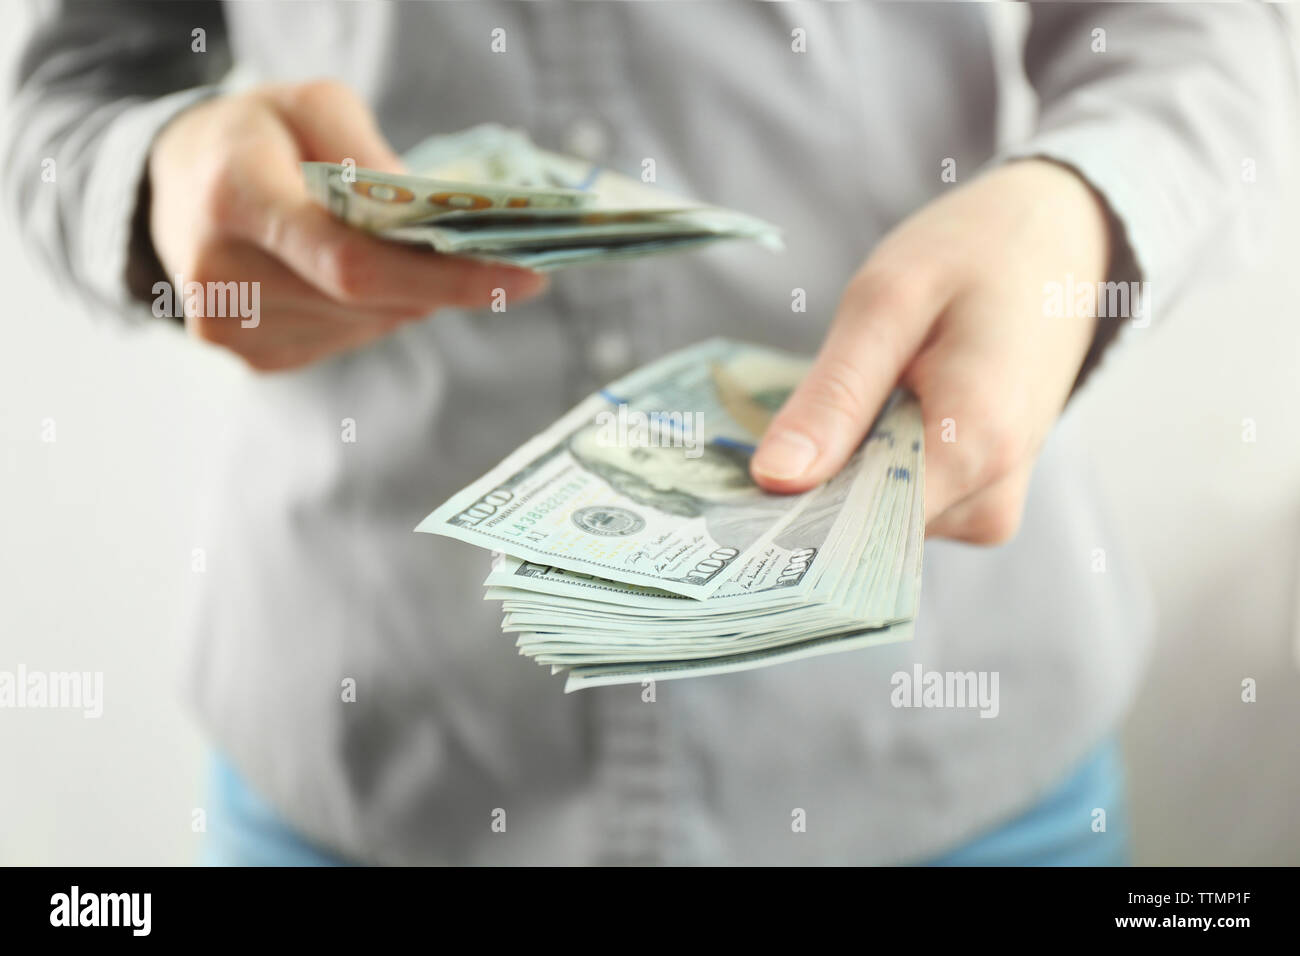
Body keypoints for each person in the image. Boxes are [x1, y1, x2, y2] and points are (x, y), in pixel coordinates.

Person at [5, 1, 1293, 865]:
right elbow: (65, 97)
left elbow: (1206, 26)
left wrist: (1080, 218)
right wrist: (159, 189)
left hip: (958, 770)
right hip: (369, 766)